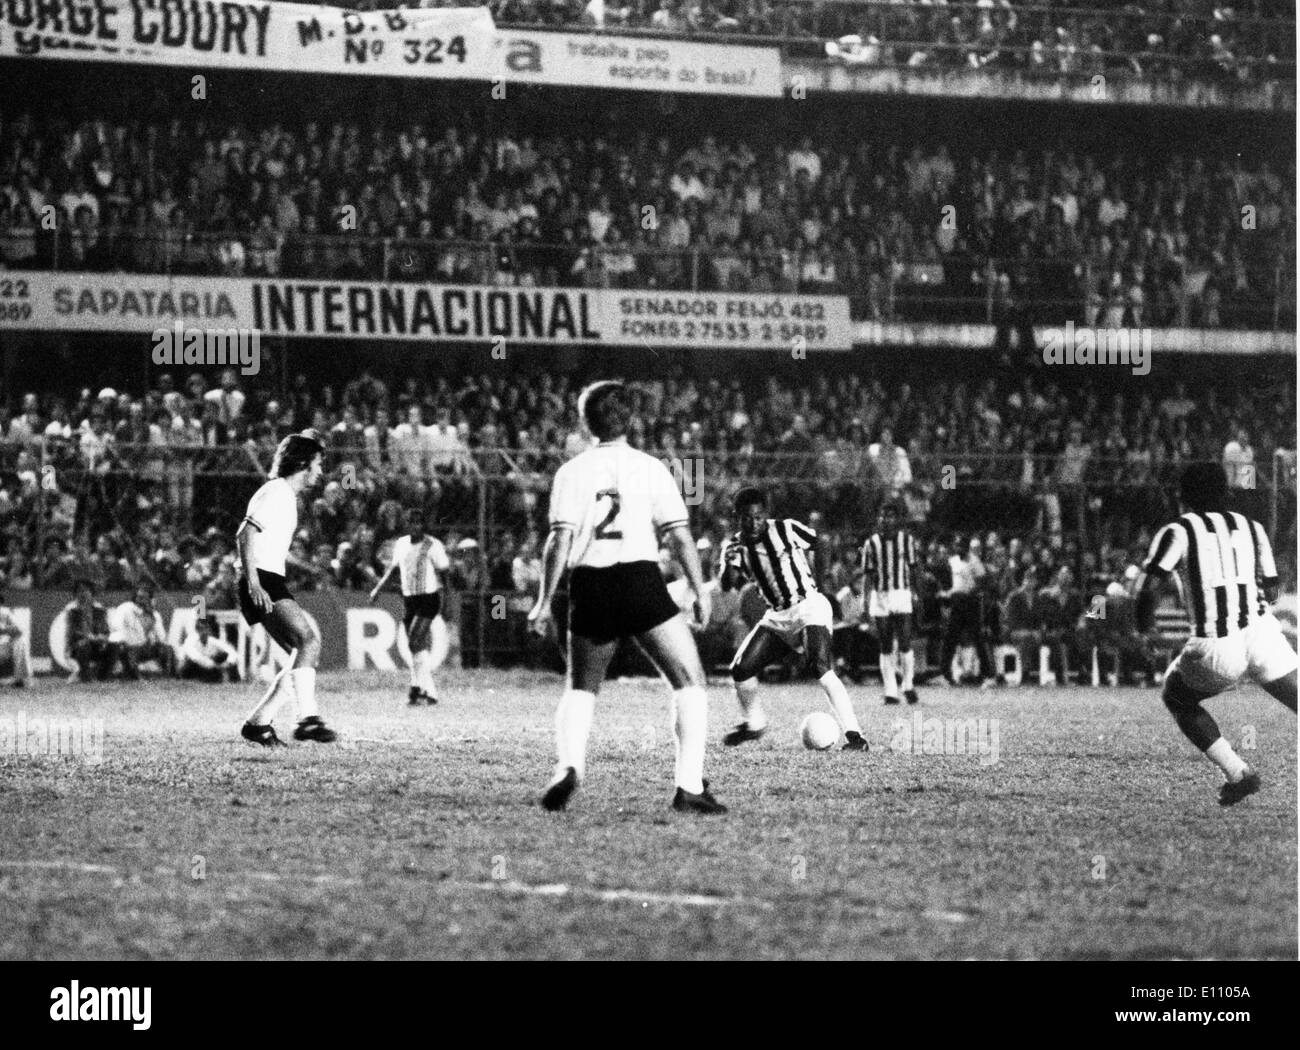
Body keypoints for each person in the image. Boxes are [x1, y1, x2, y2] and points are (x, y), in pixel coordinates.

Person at [528, 380, 724, 815]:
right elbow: (680, 536)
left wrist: (543, 601)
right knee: (690, 681)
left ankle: (568, 765)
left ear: (585, 422)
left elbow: (558, 541)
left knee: (580, 688)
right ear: (630, 419)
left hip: (590, 583)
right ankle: (689, 786)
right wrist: (697, 589)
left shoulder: (571, 471)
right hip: (639, 579)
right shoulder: (651, 468)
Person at [1136, 463, 1297, 806]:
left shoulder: (1179, 530)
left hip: (1216, 644)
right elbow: (1271, 590)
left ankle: (1239, 772)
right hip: (1261, 633)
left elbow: (1149, 586)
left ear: (1182, 498)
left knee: (1176, 696)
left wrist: (1142, 627)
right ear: (1226, 494)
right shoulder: (1252, 527)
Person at [719, 487, 868, 751]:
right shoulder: (735, 547)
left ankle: (855, 736)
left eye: (758, 517)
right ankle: (753, 723)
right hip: (777, 616)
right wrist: (729, 563)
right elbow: (727, 584)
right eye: (747, 518)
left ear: (765, 514)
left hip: (809, 605)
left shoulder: (785, 529)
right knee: (740, 670)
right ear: (737, 516)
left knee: (819, 665)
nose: (753, 523)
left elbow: (821, 543)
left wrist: (820, 582)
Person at [237, 430, 337, 746]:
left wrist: (309, 568)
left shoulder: (285, 497)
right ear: (304, 463)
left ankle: (259, 723)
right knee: (308, 640)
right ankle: (307, 719)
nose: (320, 471)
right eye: (318, 464)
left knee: (302, 651)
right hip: (262, 579)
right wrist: (254, 583)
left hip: (267, 577)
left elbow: (274, 547)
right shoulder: (277, 492)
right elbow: (244, 534)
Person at [369, 507, 451, 705]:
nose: (415, 526)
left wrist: (447, 600)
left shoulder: (433, 545)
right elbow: (394, 569)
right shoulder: (402, 544)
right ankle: (428, 692)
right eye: (411, 522)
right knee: (416, 645)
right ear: (406, 525)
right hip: (410, 599)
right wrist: (378, 589)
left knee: (415, 638)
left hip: (428, 598)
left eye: (419, 522)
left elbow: (445, 574)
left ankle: (416, 686)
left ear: (424, 525)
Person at [863, 501, 920, 705]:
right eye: (882, 515)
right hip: (880, 595)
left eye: (889, 516)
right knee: (885, 644)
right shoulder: (871, 544)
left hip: (901, 593)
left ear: (897, 519)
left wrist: (916, 593)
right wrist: (866, 600)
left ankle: (908, 685)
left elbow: (914, 569)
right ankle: (890, 691)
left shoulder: (907, 541)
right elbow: (868, 575)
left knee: (905, 641)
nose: (885, 519)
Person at [111, 583, 176, 678]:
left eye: (145, 598)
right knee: (129, 652)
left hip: (146, 647)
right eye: (139, 597)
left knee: (167, 649)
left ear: (150, 599)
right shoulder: (125, 608)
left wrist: (152, 619)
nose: (141, 600)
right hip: (130, 646)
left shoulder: (154, 614)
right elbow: (116, 626)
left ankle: (170, 677)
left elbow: (162, 637)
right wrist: (127, 639)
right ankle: (135, 677)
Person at [65, 579, 118, 682]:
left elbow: (105, 630)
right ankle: (85, 677)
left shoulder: (100, 610)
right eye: (79, 591)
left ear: (92, 593)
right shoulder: (72, 610)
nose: (83, 594)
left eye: (86, 591)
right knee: (84, 645)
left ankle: (103, 676)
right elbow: (73, 632)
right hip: (77, 647)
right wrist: (89, 637)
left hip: (97, 644)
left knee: (114, 646)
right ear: (75, 594)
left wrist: (102, 637)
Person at [179, 616, 240, 683]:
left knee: (223, 657)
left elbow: (233, 652)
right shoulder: (190, 641)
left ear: (209, 630)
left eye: (206, 628)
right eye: (201, 629)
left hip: (209, 668)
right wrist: (214, 665)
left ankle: (230, 681)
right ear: (197, 630)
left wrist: (228, 663)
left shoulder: (213, 641)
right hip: (192, 668)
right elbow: (196, 658)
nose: (204, 631)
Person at [0, 587, 31, 687]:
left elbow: (19, 630)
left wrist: (5, 630)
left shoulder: (5, 613)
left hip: (3, 648)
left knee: (20, 641)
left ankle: (19, 679)